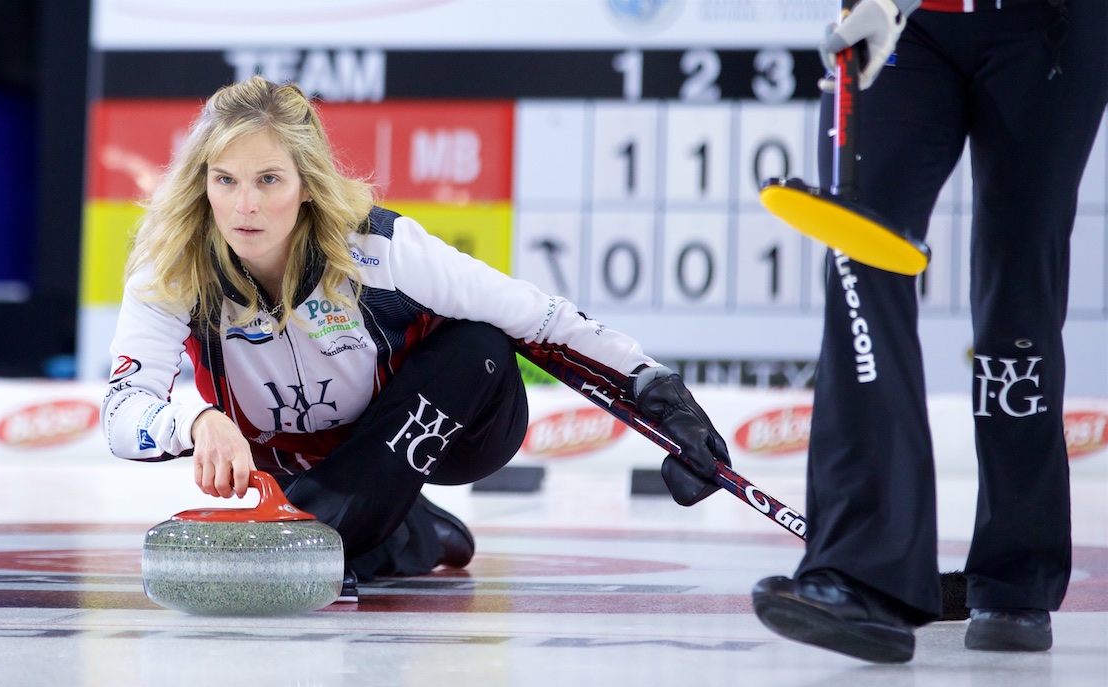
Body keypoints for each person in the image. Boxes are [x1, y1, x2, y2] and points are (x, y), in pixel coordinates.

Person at [100, 75, 730, 596]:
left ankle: (329, 531)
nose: (245, 207)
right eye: (225, 180)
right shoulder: (173, 266)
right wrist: (195, 419)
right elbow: (122, 413)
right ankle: (400, 530)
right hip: (301, 462)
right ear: (202, 182)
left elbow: (538, 319)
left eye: (269, 179)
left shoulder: (380, 247)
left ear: (307, 185)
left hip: (459, 428)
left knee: (479, 338)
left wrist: (657, 393)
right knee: (352, 519)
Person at [746, 0, 1107, 662]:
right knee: (860, 251)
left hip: (1045, 26)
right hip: (905, 22)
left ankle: (1014, 574)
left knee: (1019, 287)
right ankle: (861, 572)